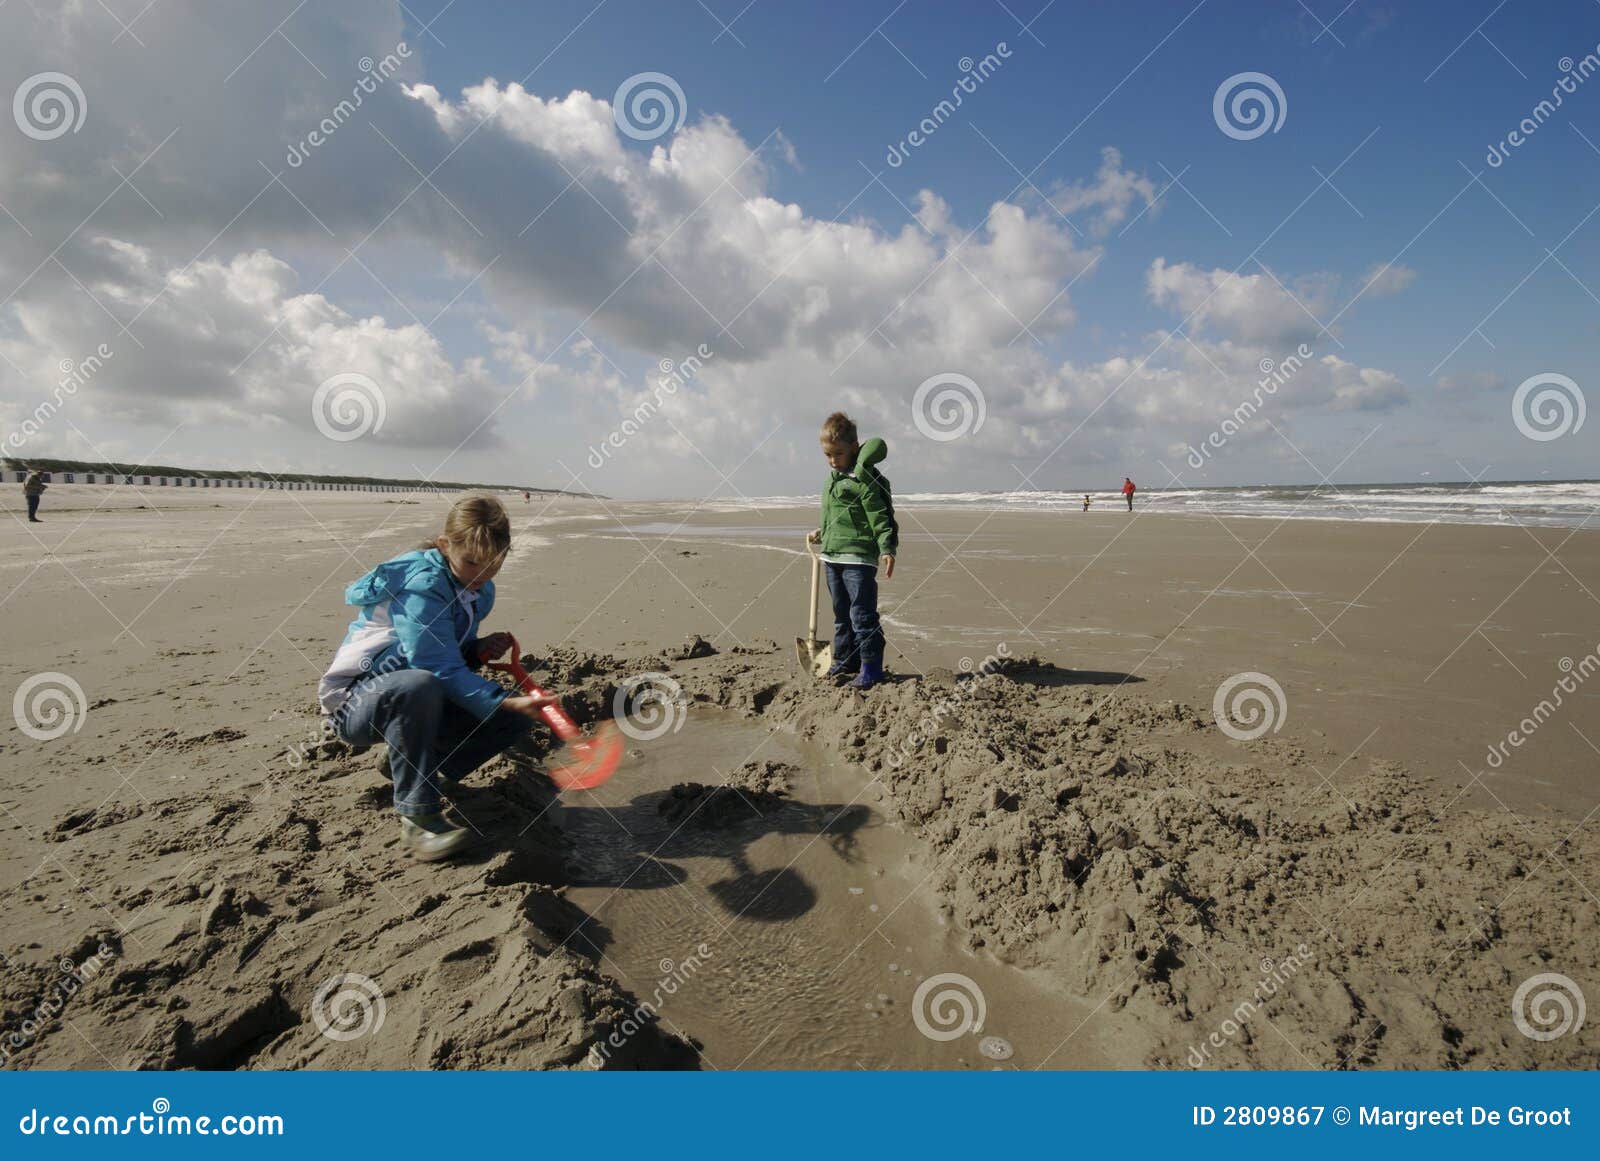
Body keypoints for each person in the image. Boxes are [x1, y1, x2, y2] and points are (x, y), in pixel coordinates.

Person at [317, 494, 555, 862]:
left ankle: (420, 767)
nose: (481, 575)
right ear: (445, 546)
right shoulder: (424, 585)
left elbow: (443, 647)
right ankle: (419, 817)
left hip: (412, 691)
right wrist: (500, 698)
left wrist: (476, 649)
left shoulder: (477, 588)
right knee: (422, 684)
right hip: (357, 703)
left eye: (493, 565)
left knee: (510, 719)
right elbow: (432, 664)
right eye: (472, 562)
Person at [807, 412, 898, 690]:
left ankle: (871, 667)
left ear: (854, 448)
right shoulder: (833, 480)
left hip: (858, 558)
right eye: (827, 455)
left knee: (862, 614)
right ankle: (847, 660)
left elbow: (878, 515)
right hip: (833, 555)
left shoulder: (863, 478)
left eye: (838, 454)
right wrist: (821, 533)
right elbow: (839, 517)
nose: (833, 460)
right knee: (841, 614)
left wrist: (887, 547)